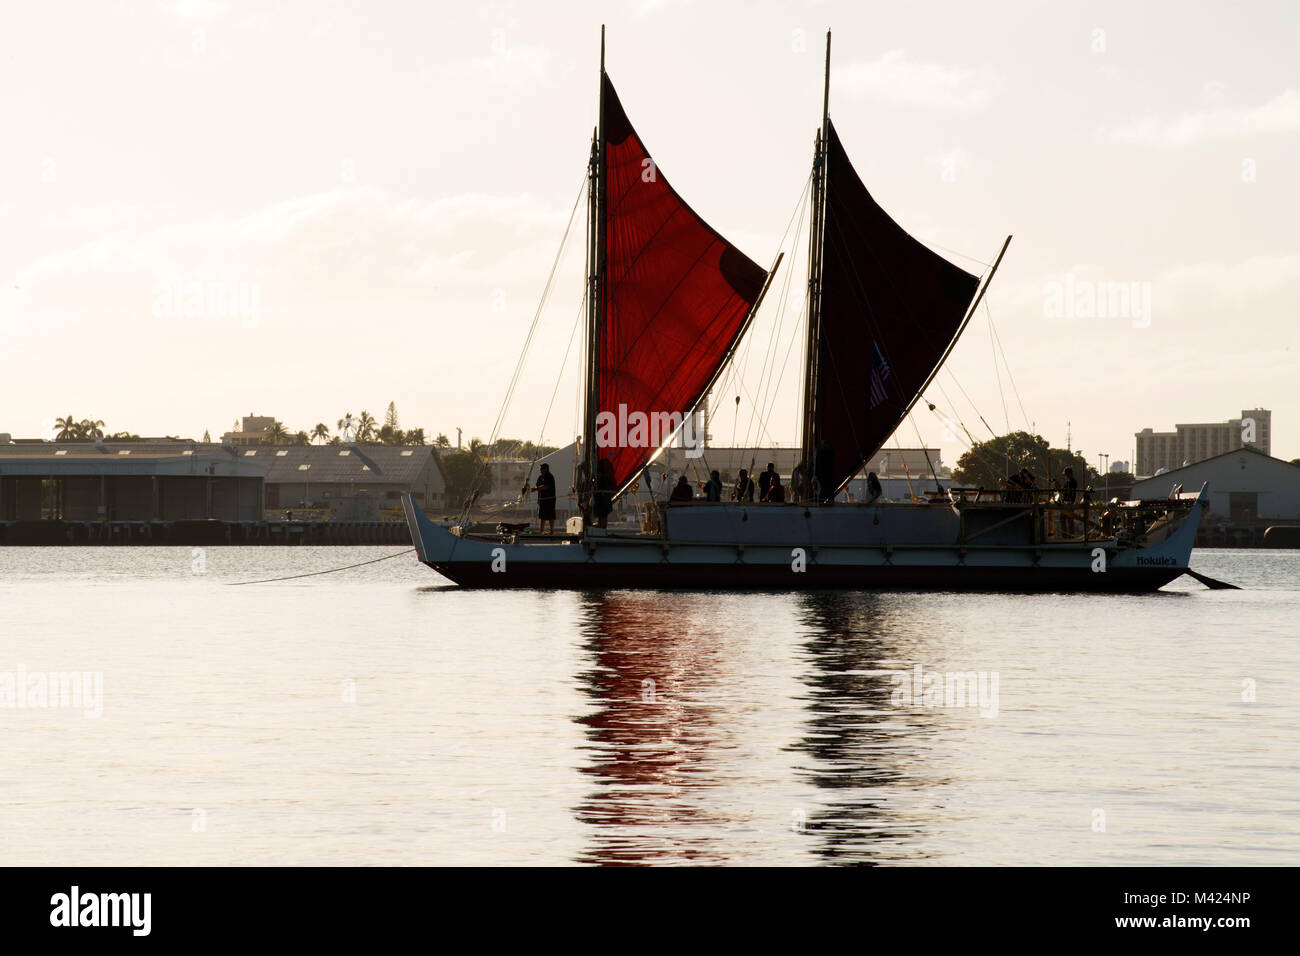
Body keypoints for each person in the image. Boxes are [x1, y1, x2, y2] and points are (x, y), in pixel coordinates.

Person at [532, 462, 557, 533]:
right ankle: (541, 531)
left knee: (550, 515)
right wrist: (533, 489)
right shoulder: (540, 477)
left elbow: (546, 486)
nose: (540, 470)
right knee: (542, 515)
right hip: (542, 499)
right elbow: (537, 486)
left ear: (545, 469)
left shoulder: (549, 476)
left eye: (541, 469)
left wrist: (536, 489)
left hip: (550, 499)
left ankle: (552, 531)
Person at [593, 456, 614, 528]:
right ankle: (601, 526)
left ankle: (602, 527)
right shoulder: (606, 479)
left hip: (603, 503)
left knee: (602, 515)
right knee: (602, 515)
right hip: (603, 503)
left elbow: (601, 491)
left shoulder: (602, 479)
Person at [814, 439, 836, 504]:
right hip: (829, 475)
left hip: (823, 476)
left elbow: (817, 464)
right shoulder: (831, 452)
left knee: (822, 492)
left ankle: (821, 502)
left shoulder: (821, 453)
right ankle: (829, 502)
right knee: (829, 492)